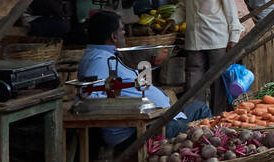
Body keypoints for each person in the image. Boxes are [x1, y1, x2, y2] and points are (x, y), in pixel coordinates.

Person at [79, 11, 210, 151]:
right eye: (122, 30)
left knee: (200, 108)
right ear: (114, 36)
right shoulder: (98, 61)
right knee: (198, 130)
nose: (125, 34)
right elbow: (91, 99)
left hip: (159, 119)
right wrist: (136, 106)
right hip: (139, 132)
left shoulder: (110, 56)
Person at [167, 0, 242, 115]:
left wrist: (234, 37)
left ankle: (219, 119)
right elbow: (182, 6)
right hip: (193, 41)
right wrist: (173, 20)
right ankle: (196, 121)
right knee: (193, 86)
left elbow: (230, 9)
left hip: (217, 41)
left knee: (219, 85)